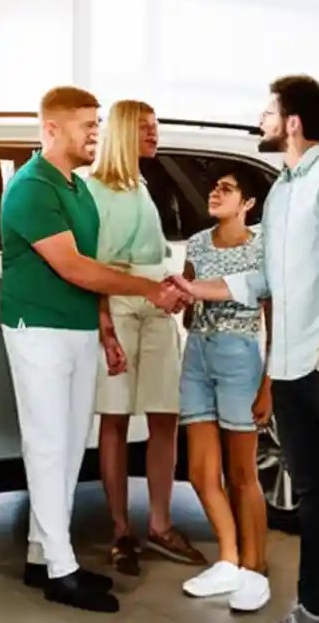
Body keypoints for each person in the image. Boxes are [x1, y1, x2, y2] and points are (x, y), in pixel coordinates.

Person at [168, 75, 319, 623]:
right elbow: (263, 277)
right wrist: (196, 288)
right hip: (292, 370)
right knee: (315, 497)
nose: (262, 120)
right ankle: (318, 606)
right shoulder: (284, 190)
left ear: (293, 122)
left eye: (269, 112)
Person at [0, 85, 189, 613]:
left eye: (98, 123)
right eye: (87, 125)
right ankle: (62, 570)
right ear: (51, 129)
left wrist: (105, 326)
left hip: (79, 327)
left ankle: (43, 555)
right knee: (47, 445)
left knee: (65, 447)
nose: (95, 134)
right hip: (38, 328)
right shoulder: (32, 188)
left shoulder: (77, 190)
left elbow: (95, 263)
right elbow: (75, 267)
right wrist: (147, 289)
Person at [83, 100, 207, 576]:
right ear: (123, 134)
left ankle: (160, 524)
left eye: (157, 128)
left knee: (164, 415)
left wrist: (176, 286)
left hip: (156, 305)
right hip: (118, 305)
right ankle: (120, 531)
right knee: (114, 418)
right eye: (147, 129)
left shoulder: (142, 185)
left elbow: (151, 256)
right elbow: (93, 268)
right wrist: (106, 329)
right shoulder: (93, 190)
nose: (156, 136)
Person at [177, 164, 273, 612]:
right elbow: (189, 306)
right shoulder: (197, 243)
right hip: (196, 353)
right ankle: (230, 560)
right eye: (214, 187)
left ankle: (256, 569)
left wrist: (268, 382)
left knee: (242, 475)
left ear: (248, 204)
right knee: (200, 472)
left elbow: (275, 317)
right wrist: (179, 297)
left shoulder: (262, 250)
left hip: (239, 356)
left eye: (227, 189)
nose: (215, 193)